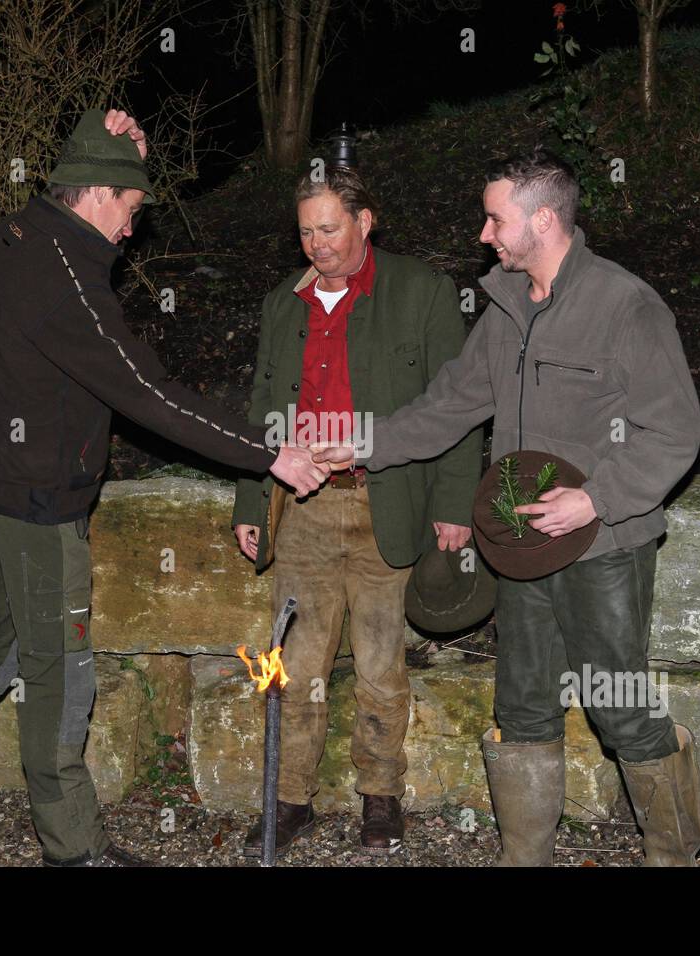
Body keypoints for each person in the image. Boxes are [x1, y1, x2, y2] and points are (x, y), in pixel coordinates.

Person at [0, 108, 329, 867]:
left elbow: (86, 192)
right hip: (38, 503)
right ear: (93, 197)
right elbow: (149, 393)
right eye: (129, 207)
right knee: (60, 673)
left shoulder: (19, 234)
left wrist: (110, 136)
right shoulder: (63, 280)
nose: (131, 229)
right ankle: (73, 847)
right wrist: (267, 452)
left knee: (5, 637)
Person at [314, 146, 700, 866]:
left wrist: (596, 498)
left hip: (605, 549)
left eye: (495, 219)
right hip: (520, 550)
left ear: (544, 218)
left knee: (621, 709)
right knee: (522, 708)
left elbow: (677, 430)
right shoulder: (505, 311)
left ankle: (675, 855)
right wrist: (360, 445)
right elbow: (448, 406)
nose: (484, 234)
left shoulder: (626, 306)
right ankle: (523, 858)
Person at [232, 167, 482, 856]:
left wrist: (454, 504)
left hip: (388, 505)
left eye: (330, 228)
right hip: (302, 509)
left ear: (365, 221)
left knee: (380, 665)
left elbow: (457, 407)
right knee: (293, 664)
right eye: (306, 231)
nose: (317, 244)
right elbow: (260, 407)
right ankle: (288, 800)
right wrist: (251, 499)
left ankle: (381, 797)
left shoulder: (423, 294)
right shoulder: (283, 303)